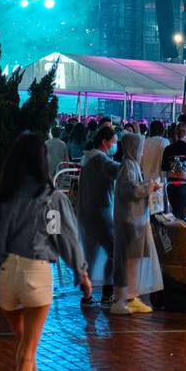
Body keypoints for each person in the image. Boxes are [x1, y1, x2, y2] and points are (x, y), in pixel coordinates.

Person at [0, 131, 91, 371]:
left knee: (24, 346)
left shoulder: (3, 198)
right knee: (28, 352)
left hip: (7, 274)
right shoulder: (51, 198)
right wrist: (81, 272)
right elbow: (64, 238)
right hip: (36, 274)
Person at [110, 132, 163, 314]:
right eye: (140, 148)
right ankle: (122, 299)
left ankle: (130, 296)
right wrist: (150, 186)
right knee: (128, 259)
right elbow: (129, 191)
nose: (142, 153)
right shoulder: (128, 166)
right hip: (129, 220)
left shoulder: (131, 165)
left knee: (134, 259)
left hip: (134, 219)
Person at [77, 125, 119, 307]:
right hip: (100, 211)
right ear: (104, 142)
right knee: (113, 250)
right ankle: (107, 293)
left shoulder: (88, 158)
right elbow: (120, 171)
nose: (114, 146)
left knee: (91, 255)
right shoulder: (100, 160)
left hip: (87, 210)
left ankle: (87, 296)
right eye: (113, 142)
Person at [141, 119, 169, 213]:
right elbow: (165, 164)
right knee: (159, 214)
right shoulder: (164, 142)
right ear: (162, 130)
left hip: (145, 183)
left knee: (148, 214)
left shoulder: (144, 142)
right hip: (159, 183)